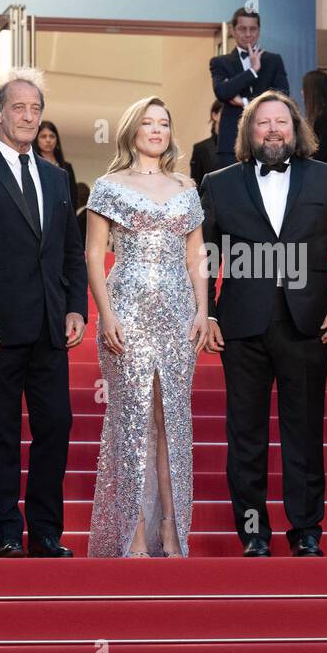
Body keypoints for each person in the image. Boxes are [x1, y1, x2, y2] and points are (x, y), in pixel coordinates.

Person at [200, 90, 327, 557]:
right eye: (262, 122)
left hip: (307, 323)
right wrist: (205, 311)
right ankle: (253, 531)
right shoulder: (219, 182)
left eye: (280, 122)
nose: (272, 129)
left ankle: (306, 530)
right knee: (245, 434)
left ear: (295, 129)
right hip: (240, 325)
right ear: (248, 131)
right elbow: (205, 256)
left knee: (304, 432)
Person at [0, 67, 88, 559]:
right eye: (19, 108)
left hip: (50, 328)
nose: (29, 117)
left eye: (35, 109)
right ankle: (7, 532)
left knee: (56, 425)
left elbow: (70, 252)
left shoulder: (57, 177)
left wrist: (76, 307)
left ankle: (46, 532)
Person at [85, 97, 206, 558]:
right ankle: (133, 534)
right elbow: (95, 256)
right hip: (127, 309)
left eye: (164, 123)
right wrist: (106, 314)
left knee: (171, 419)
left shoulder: (186, 186)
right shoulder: (108, 185)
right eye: (148, 122)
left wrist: (202, 309)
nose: (156, 130)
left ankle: (173, 534)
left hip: (178, 312)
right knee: (132, 417)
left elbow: (197, 256)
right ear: (132, 130)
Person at [209, 7, 289, 167]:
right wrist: (252, 71)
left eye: (252, 29)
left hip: (267, 139)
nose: (248, 34)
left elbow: (282, 96)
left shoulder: (274, 60)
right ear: (233, 30)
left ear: (259, 31)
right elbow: (222, 92)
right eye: (242, 29)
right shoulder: (220, 62)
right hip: (231, 140)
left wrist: (245, 102)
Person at [302, 69, 327, 165]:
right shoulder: (321, 115)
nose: (302, 92)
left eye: (305, 89)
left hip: (318, 172)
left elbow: (323, 151)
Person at [36, 120, 76, 190]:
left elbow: (72, 196)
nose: (48, 140)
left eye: (52, 136)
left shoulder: (67, 167)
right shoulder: (31, 164)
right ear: (36, 140)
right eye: (43, 136)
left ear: (57, 140)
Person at [190, 99, 223, 184]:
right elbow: (196, 184)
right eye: (225, 112)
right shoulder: (200, 149)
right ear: (214, 115)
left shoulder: (240, 146)